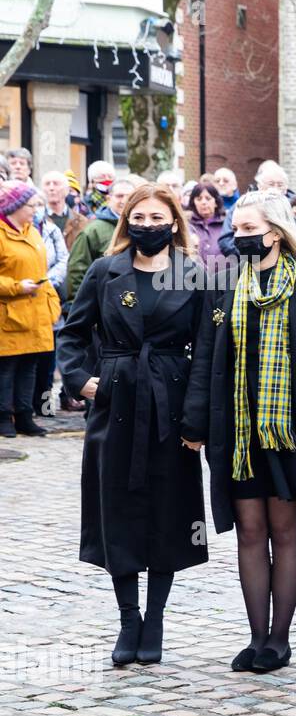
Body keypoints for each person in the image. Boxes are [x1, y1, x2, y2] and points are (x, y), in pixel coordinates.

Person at [181, 190, 296, 673]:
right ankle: (255, 637)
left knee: (283, 530)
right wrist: (195, 420)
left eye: (250, 230)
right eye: (237, 229)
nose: (240, 237)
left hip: (289, 430)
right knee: (248, 532)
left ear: (275, 232)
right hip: (236, 428)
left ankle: (279, 639)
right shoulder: (224, 281)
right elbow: (206, 355)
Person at [57, 183, 210, 665]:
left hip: (171, 403)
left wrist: (196, 413)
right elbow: (72, 332)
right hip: (116, 403)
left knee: (167, 512)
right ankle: (129, 619)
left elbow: (207, 348)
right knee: (116, 509)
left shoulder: (194, 275)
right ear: (127, 222)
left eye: (156, 217)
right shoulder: (105, 272)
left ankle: (156, 619)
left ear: (173, 222)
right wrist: (82, 381)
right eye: (138, 217)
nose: (148, 225)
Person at [0, 181, 60, 437]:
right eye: (30, 205)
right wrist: (15, 286)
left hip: (36, 313)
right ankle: (3, 417)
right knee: (7, 369)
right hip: (10, 314)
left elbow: (42, 270)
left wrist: (51, 304)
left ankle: (25, 416)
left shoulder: (32, 231)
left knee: (29, 367)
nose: (35, 209)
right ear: (14, 206)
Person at [30, 194, 69, 418]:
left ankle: (44, 406)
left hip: (47, 298)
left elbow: (64, 259)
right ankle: (22, 406)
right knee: (27, 362)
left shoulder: (51, 230)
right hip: (22, 298)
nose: (35, 209)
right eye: (31, 205)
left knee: (47, 361)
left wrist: (45, 280)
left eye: (39, 205)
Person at [67, 179, 133, 295]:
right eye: (119, 196)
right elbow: (78, 268)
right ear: (108, 199)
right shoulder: (93, 230)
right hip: (104, 297)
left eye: (129, 196)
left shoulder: (142, 226)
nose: (124, 200)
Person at [218, 161, 291, 257]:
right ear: (259, 186)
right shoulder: (243, 205)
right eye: (271, 184)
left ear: (286, 188)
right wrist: (249, 255)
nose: (275, 189)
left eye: (280, 185)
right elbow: (226, 240)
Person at [185, 182, 227, 270]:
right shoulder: (187, 224)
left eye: (208, 198)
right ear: (194, 202)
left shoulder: (227, 223)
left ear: (216, 202)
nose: (203, 202)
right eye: (199, 199)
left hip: (224, 278)